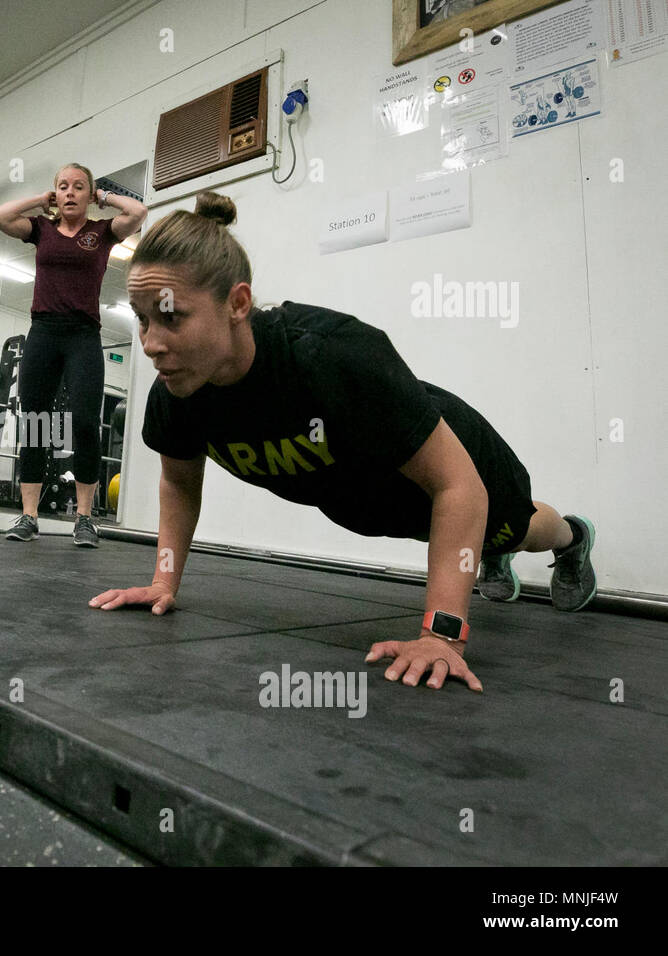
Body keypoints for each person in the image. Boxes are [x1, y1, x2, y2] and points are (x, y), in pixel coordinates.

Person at [89, 192, 596, 693]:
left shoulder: (332, 355)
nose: (151, 342)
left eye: (171, 317)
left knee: (520, 530)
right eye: (142, 318)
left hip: (455, 467)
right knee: (471, 539)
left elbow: (458, 486)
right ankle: (478, 553)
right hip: (371, 503)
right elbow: (178, 485)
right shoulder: (178, 389)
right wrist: (163, 583)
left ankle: (572, 538)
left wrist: (441, 636)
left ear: (238, 304)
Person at [0, 164, 147, 546]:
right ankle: (28, 516)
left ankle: (85, 518)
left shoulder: (101, 232)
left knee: (86, 423)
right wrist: (41, 200)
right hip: (43, 333)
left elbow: (138, 214)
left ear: (89, 194)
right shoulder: (41, 230)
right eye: (63, 187)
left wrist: (104, 197)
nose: (70, 193)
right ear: (55, 194)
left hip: (83, 335)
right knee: (35, 422)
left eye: (79, 187)